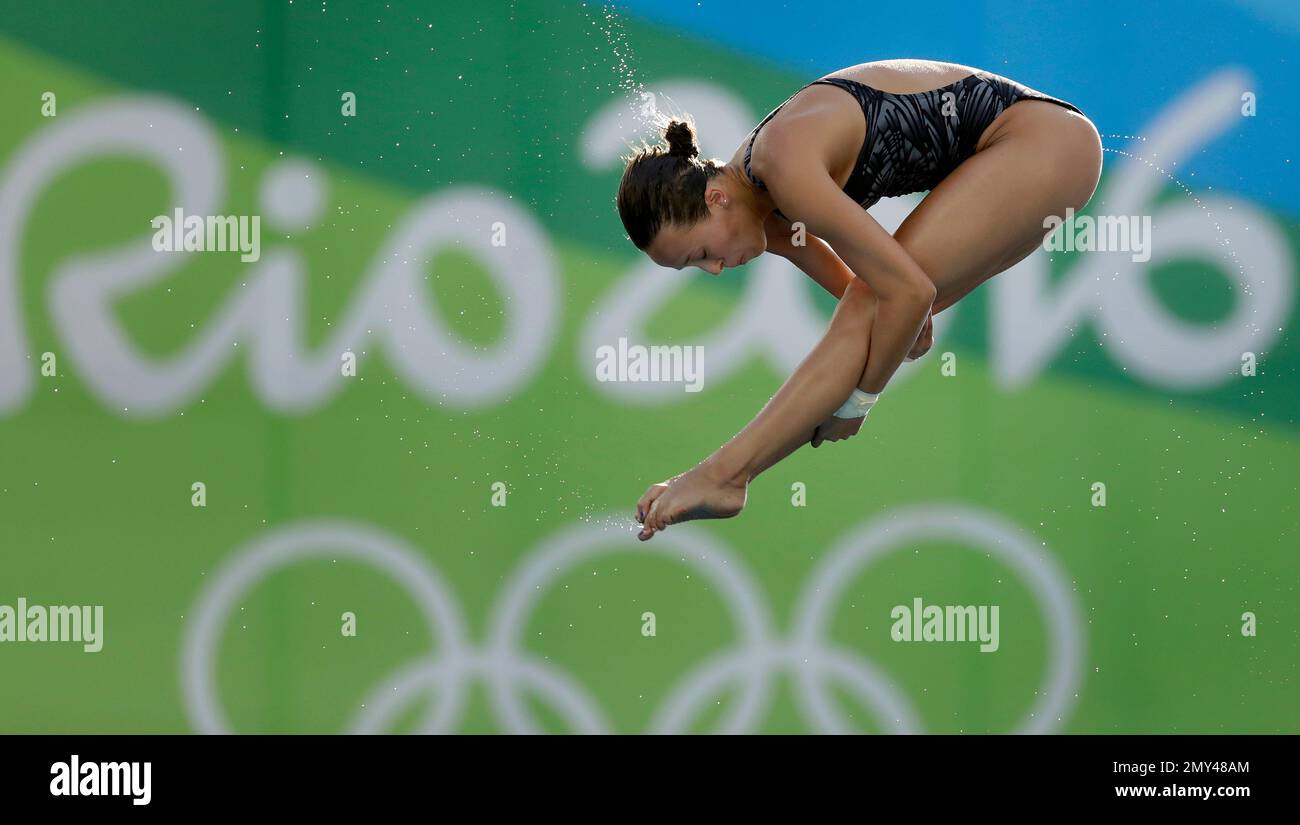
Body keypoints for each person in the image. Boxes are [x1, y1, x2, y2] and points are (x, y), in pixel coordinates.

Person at [615, 59, 1102, 541]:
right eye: (697, 267)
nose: (715, 269)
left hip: (1045, 145)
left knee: (873, 305)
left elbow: (908, 293)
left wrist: (858, 400)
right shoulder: (761, 202)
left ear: (715, 198)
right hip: (1045, 152)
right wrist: (896, 316)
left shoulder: (781, 165)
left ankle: (724, 475)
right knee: (870, 306)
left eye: (701, 253)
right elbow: (869, 290)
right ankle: (728, 476)